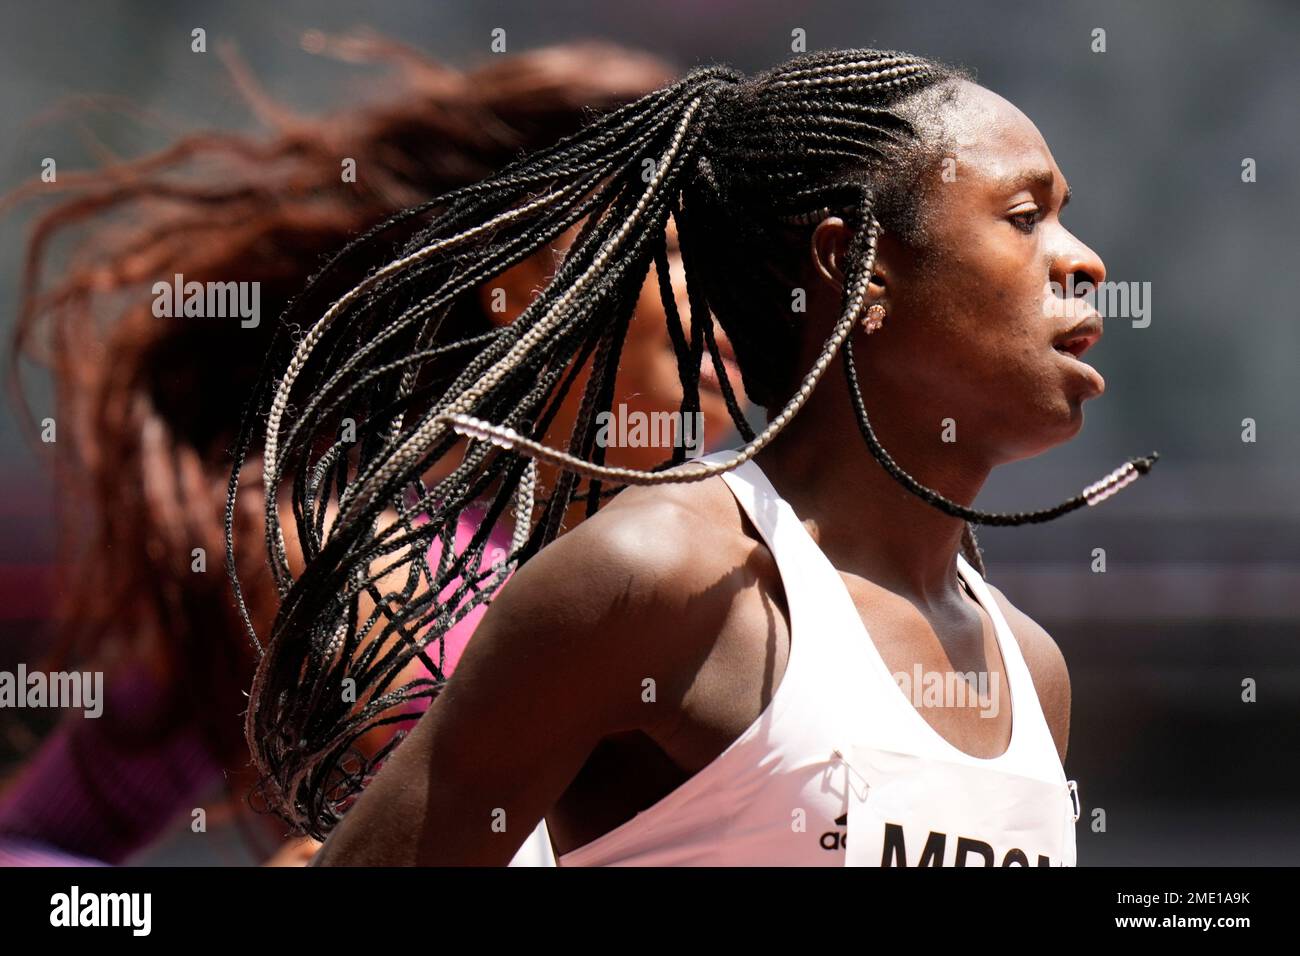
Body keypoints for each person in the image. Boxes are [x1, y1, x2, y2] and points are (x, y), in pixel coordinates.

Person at [234, 48, 1158, 866]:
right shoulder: (660, 579)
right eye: (1026, 215)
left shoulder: (1033, 672)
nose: (1084, 264)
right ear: (858, 267)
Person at [3, 36, 742, 866]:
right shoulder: (330, 562)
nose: (732, 311)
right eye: (682, 257)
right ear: (526, 285)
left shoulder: (795, 579)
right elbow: (37, 844)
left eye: (746, 271)